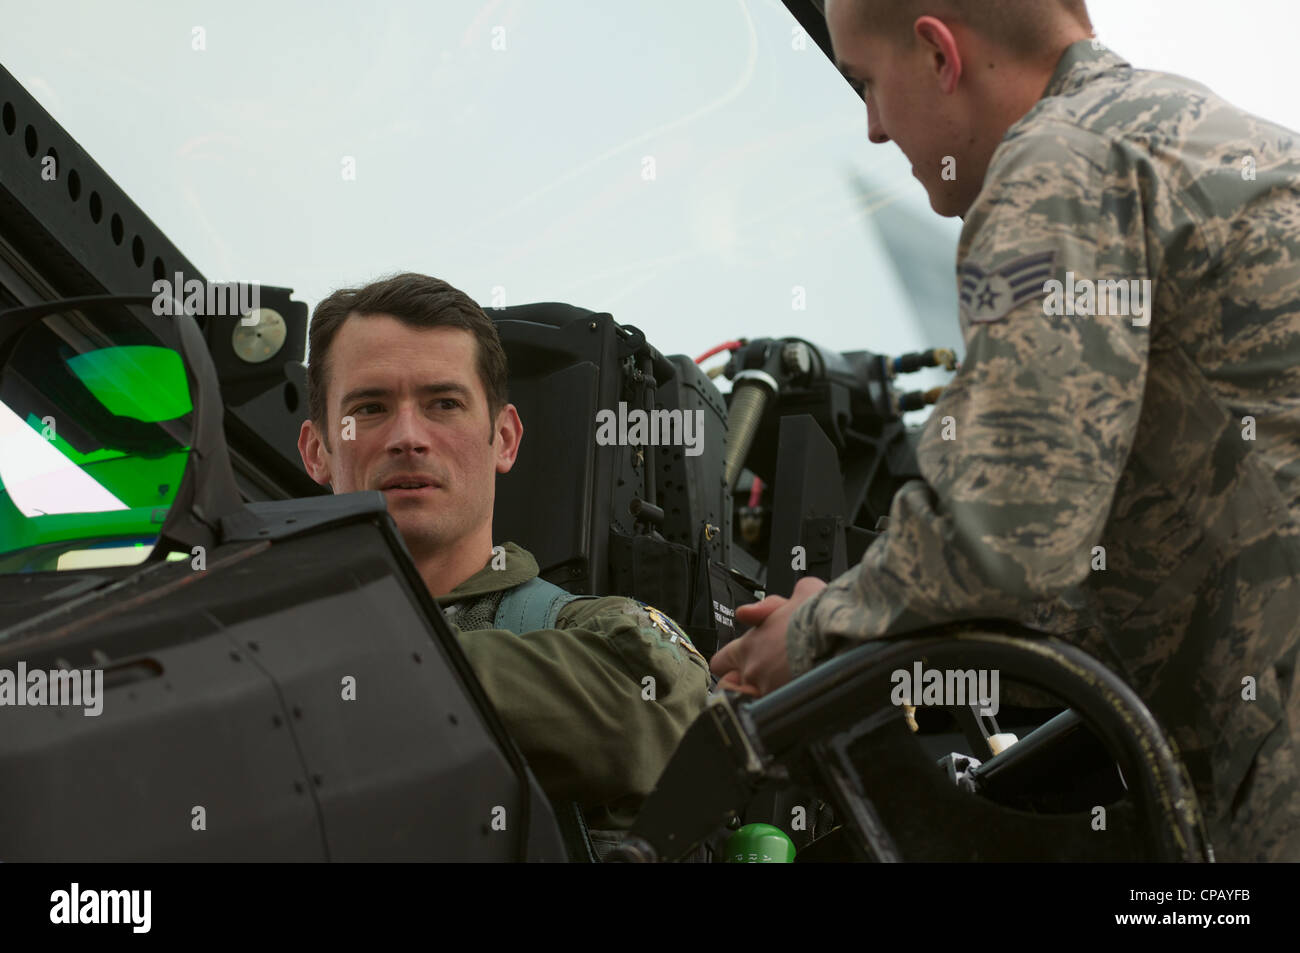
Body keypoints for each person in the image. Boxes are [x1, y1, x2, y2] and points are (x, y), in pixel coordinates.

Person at [712, 0, 1300, 861]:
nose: (874, 129)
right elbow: (1126, 556)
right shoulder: (1201, 136)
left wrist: (813, 634)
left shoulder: (1059, 165)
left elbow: (1011, 531)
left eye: (866, 84)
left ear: (937, 53)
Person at [296, 272, 709, 840]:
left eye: (444, 403)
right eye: (370, 408)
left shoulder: (604, 637)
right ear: (317, 450)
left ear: (506, 438)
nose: (408, 437)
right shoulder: (254, 630)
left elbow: (666, 710)